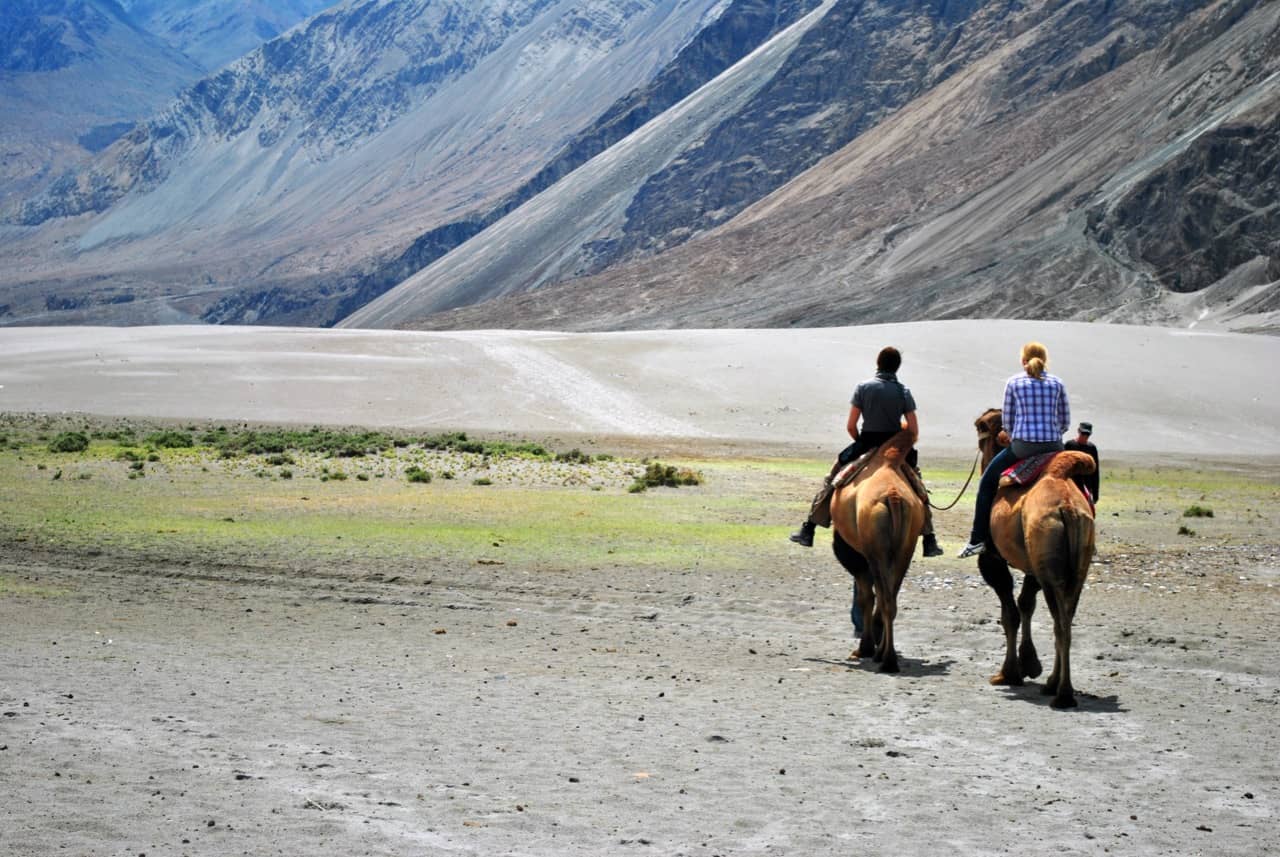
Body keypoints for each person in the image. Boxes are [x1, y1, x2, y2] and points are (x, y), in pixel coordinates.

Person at [789, 346, 943, 557]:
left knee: (834, 477)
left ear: (878, 363)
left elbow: (851, 425)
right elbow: (913, 429)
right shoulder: (904, 392)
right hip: (895, 447)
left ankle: (809, 528)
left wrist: (862, 444)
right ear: (897, 367)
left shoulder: (863, 387)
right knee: (916, 484)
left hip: (867, 441)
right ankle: (929, 538)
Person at [958, 341, 1071, 558]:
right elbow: (1065, 421)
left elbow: (1008, 422)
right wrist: (1052, 434)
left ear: (1023, 361)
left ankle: (977, 540)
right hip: (1055, 447)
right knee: (1077, 480)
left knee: (987, 483)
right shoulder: (1058, 383)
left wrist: (1015, 433)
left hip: (1022, 448)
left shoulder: (1014, 382)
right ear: (1045, 361)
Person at [1064, 421, 1100, 501]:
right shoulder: (1069, 445)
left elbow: (1095, 471)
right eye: (1083, 433)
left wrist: (1095, 493)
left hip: (1086, 485)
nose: (1085, 436)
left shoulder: (1092, 448)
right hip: (1071, 484)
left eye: (1087, 434)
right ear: (1078, 431)